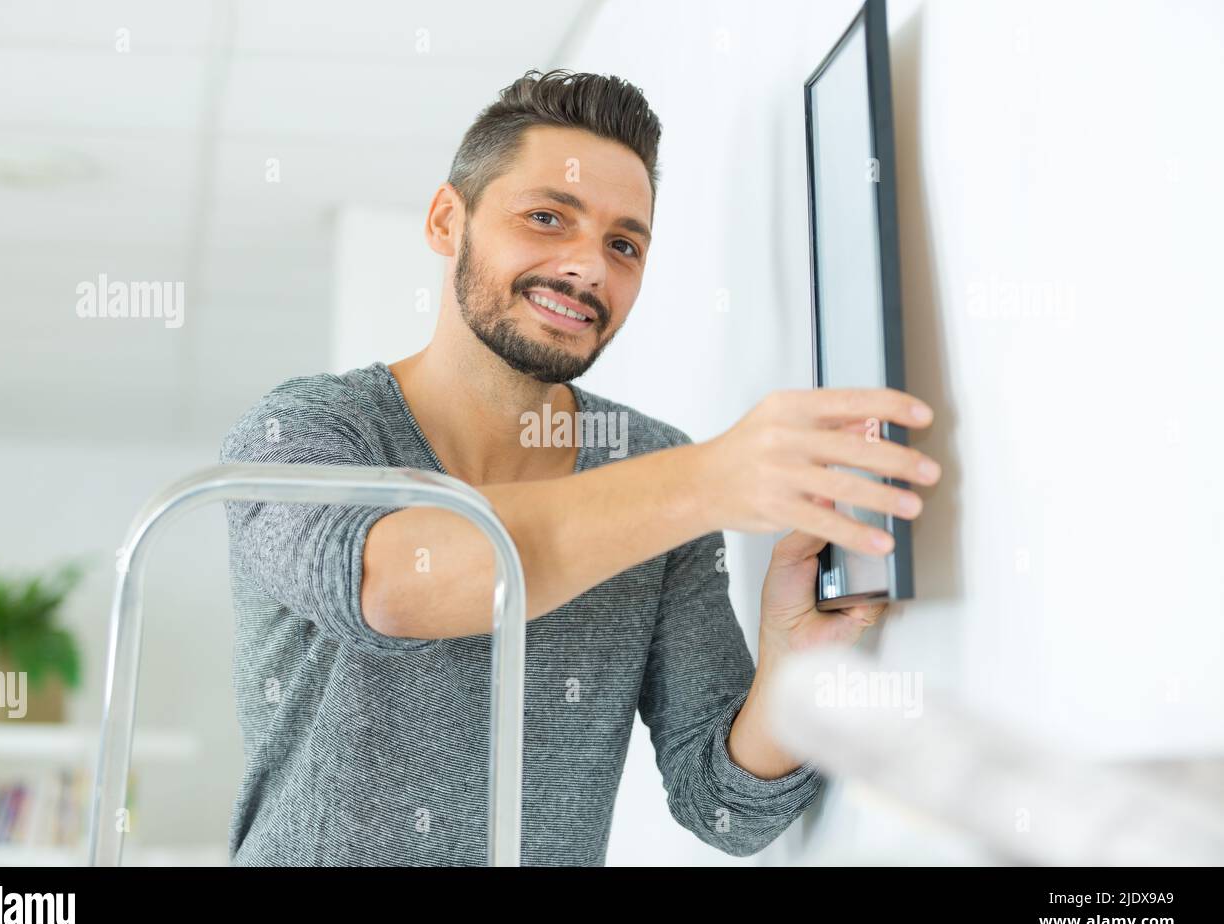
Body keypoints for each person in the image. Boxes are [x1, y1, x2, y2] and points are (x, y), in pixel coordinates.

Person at [219, 69, 941, 866]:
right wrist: (709, 480)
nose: (589, 267)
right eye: (546, 218)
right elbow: (393, 586)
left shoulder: (653, 467)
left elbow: (727, 812)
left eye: (622, 243)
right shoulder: (306, 430)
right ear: (445, 221)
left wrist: (789, 669)